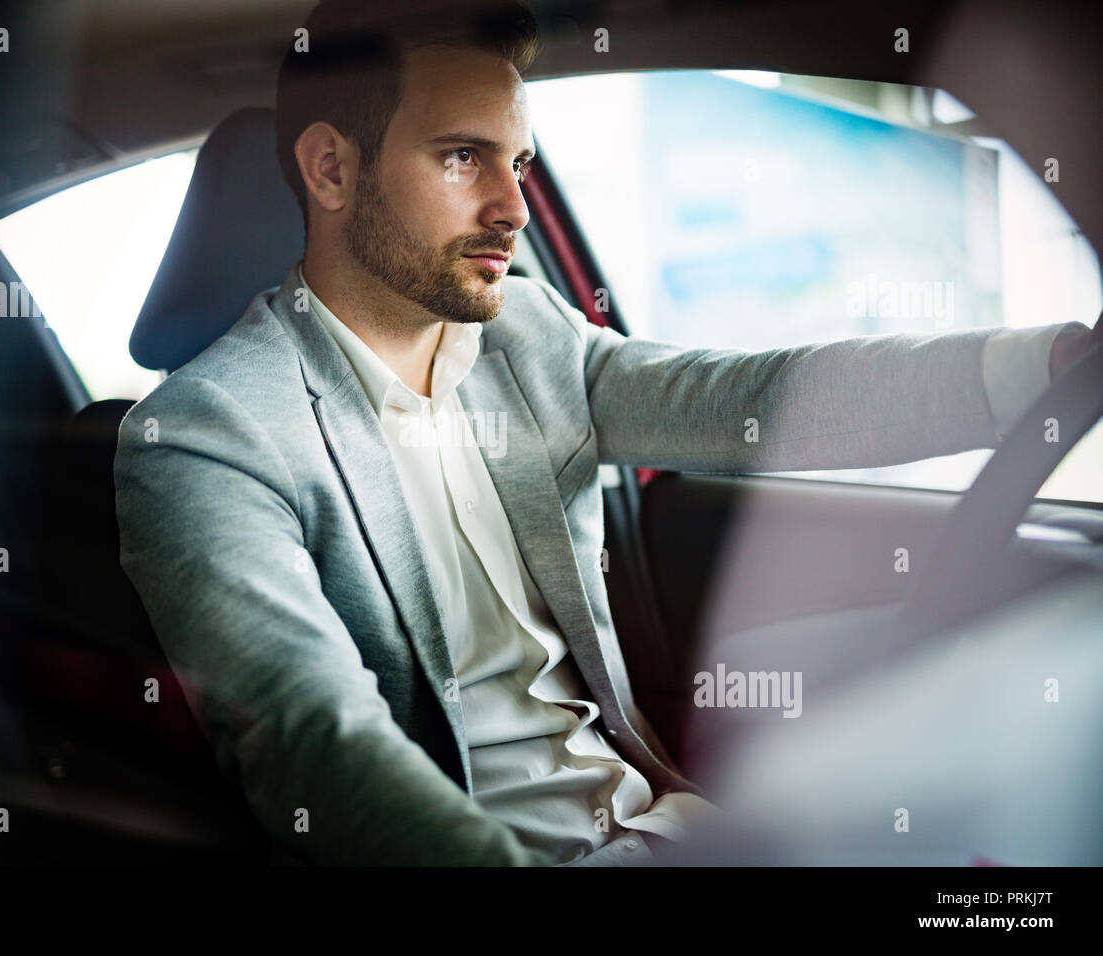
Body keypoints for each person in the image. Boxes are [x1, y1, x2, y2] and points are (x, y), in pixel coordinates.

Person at [113, 0, 1097, 866]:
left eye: (520, 163)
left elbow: (754, 398)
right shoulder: (206, 434)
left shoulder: (524, 333)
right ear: (331, 168)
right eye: (463, 157)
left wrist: (1042, 368)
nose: (512, 208)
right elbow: (312, 736)